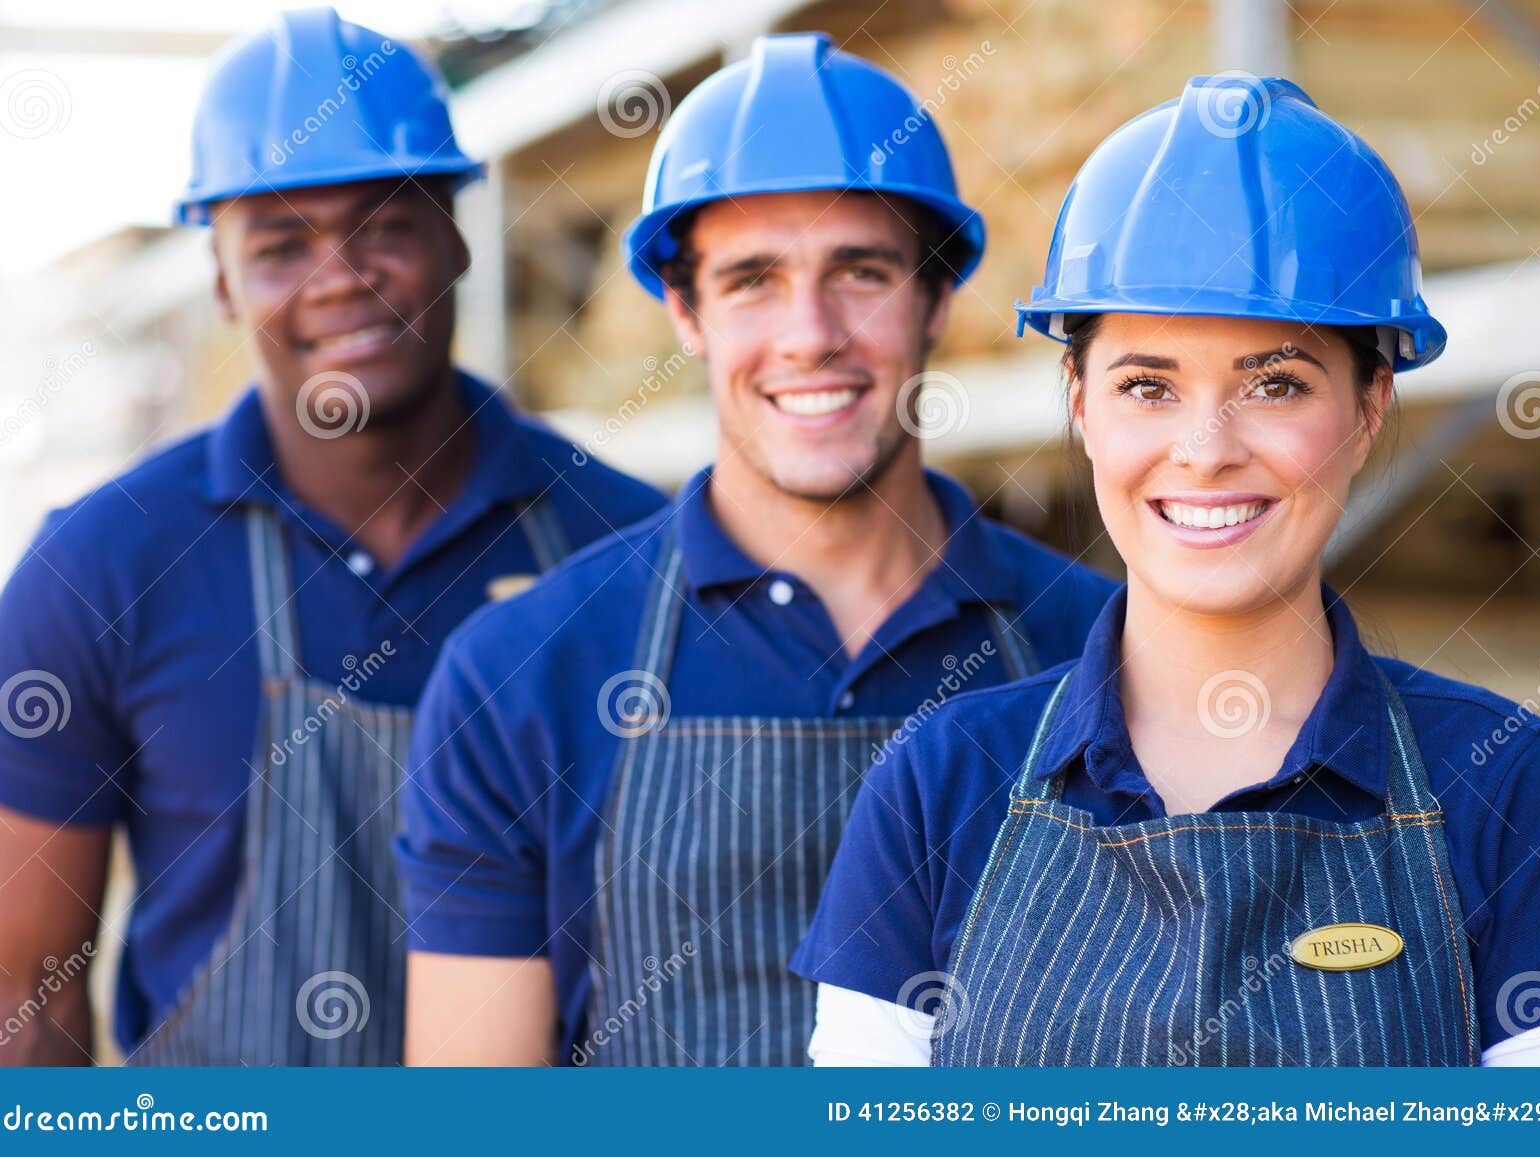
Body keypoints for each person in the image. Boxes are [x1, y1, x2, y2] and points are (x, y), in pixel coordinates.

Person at [793, 74, 1540, 1067]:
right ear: (1079, 401)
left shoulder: (1513, 792)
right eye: (1147, 386)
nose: (1205, 450)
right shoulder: (940, 782)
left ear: (1370, 403)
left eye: (1275, 383)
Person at [396, 32, 1116, 1067]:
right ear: (684, 311)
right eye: (752, 281)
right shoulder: (523, 673)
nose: (809, 333)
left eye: (859, 272)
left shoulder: (1096, 652)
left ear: (937, 299)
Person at [0, 8, 665, 1067]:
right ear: (220, 280)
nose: (338, 276)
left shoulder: (624, 547)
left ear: (454, 231)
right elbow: (20, 994)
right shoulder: (101, 568)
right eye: (280, 246)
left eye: (383, 223)